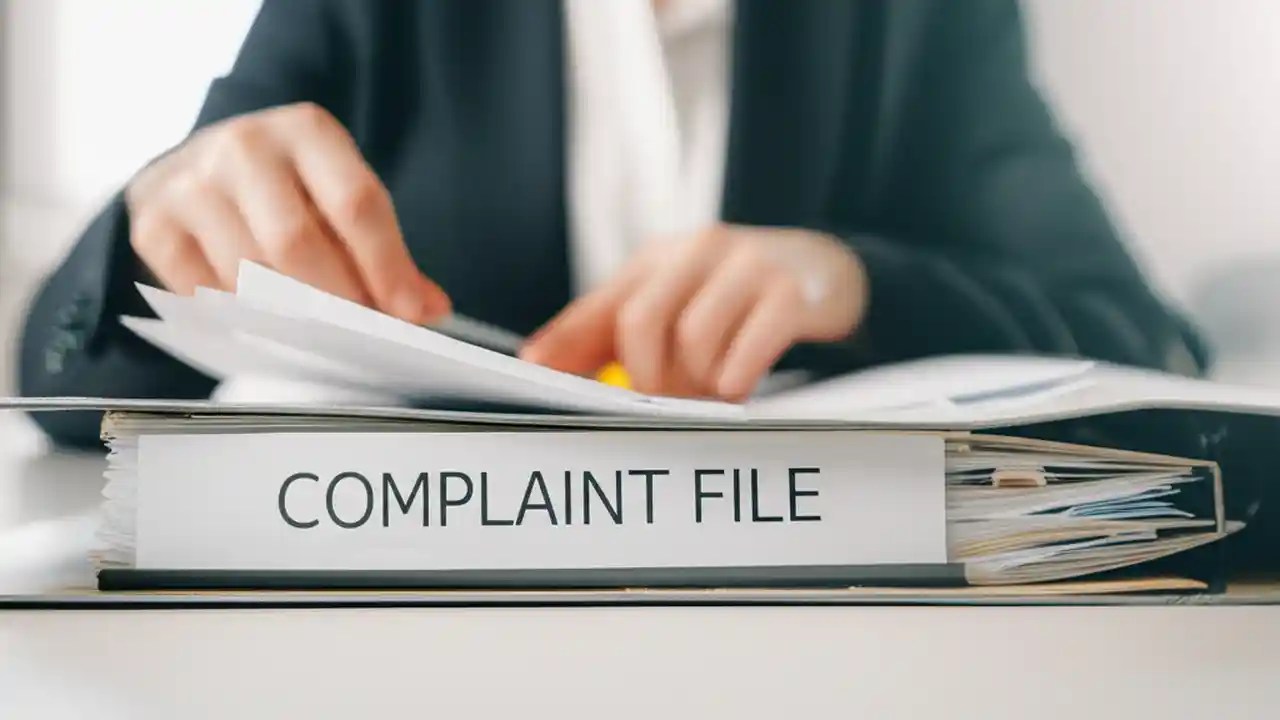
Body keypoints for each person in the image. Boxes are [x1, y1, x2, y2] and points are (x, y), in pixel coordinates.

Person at [18, 0, 1207, 447]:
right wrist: (153, 222)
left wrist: (849, 284)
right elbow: (60, 371)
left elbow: (1133, 334)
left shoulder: (918, 20)